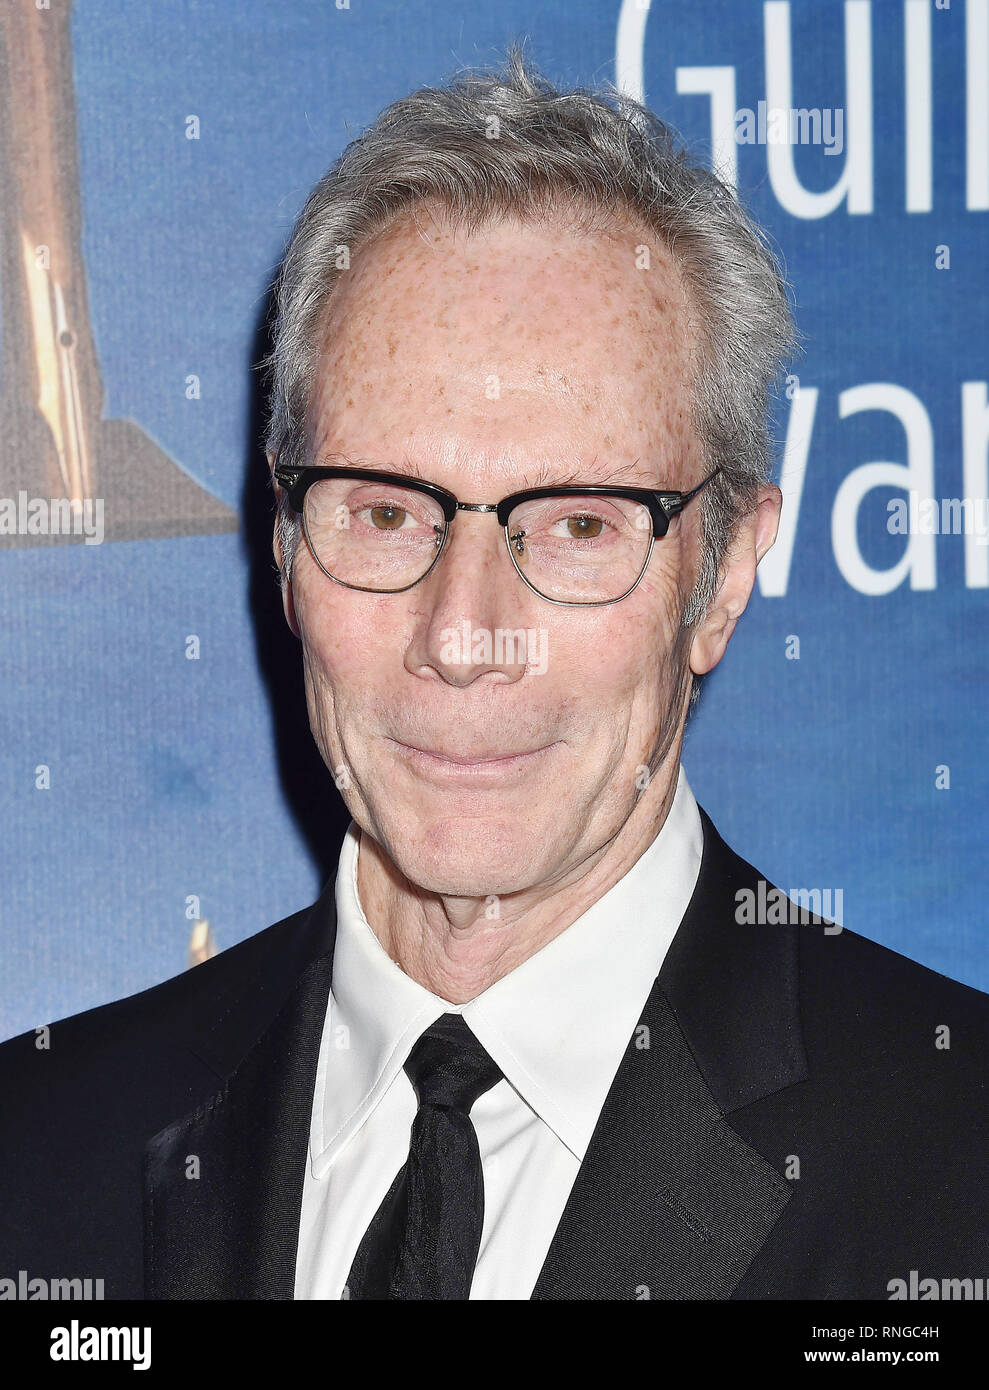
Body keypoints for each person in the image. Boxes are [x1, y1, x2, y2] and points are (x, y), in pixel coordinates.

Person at [1, 46, 986, 1302]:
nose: (462, 635)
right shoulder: (31, 1156)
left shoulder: (959, 1173)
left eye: (578, 524)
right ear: (284, 538)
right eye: (385, 512)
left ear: (725, 572)